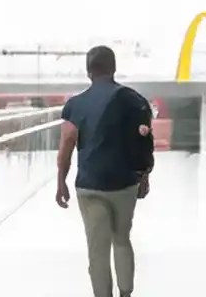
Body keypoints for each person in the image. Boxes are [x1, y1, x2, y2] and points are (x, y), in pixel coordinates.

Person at [56, 45, 153, 297]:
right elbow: (143, 141)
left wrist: (61, 181)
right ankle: (126, 294)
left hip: (89, 185)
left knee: (97, 250)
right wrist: (144, 176)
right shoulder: (134, 100)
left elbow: (67, 144)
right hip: (125, 183)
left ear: (88, 71)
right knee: (122, 239)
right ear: (113, 68)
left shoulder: (75, 105)